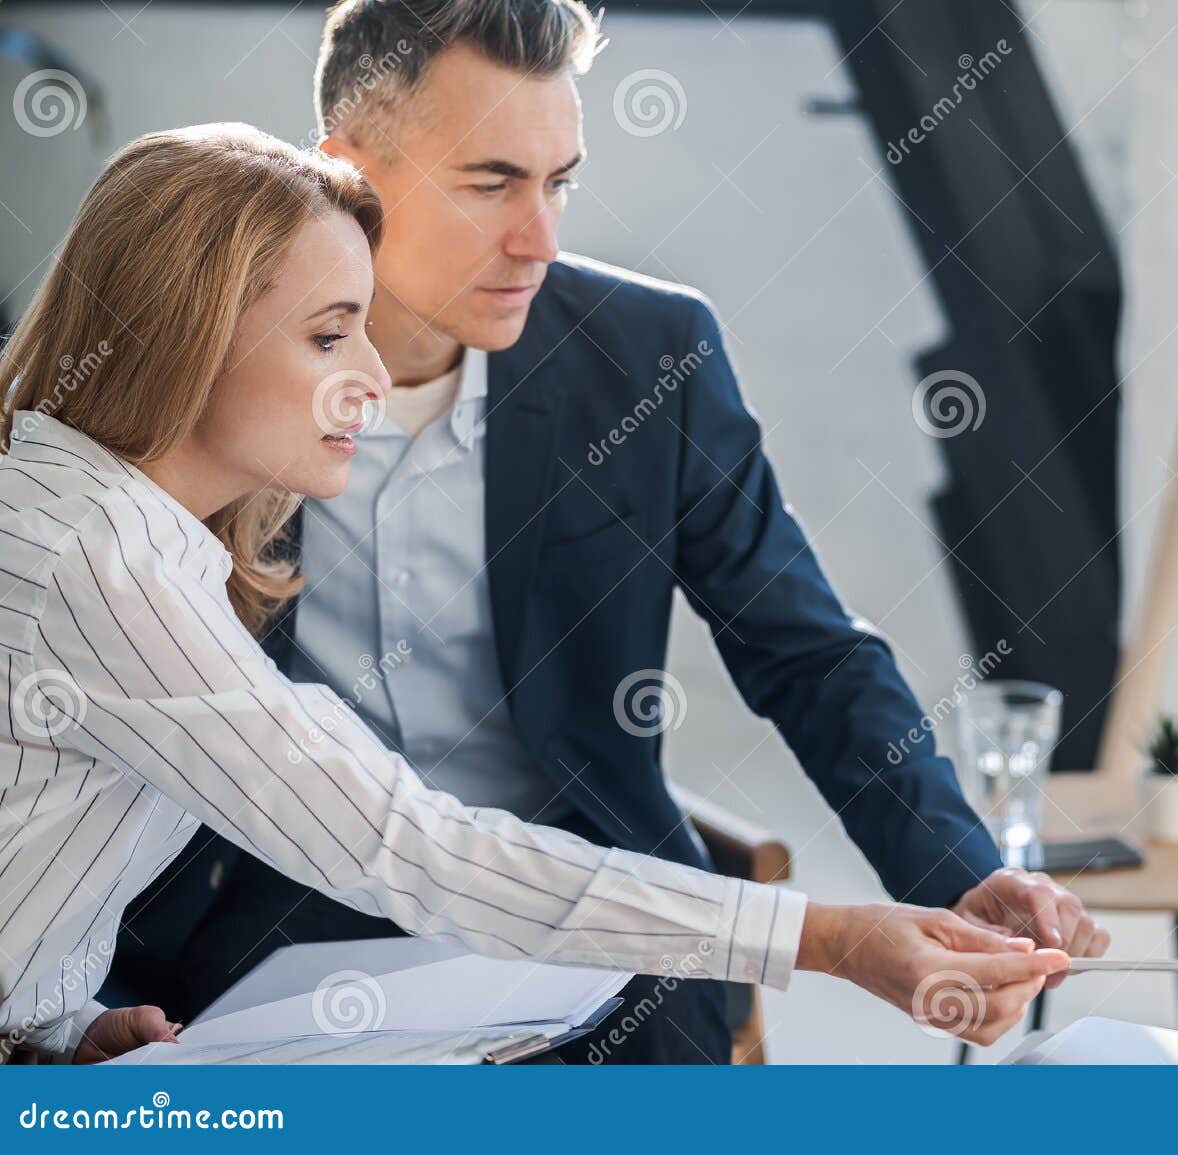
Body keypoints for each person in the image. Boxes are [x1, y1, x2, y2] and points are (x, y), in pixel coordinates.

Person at [112, 0, 1112, 1064]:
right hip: (283, 907)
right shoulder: (208, 367)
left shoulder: (650, 358)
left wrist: (957, 875)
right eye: (490, 182)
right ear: (346, 175)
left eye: (558, 183)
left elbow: (808, 652)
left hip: (602, 909)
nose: (538, 239)